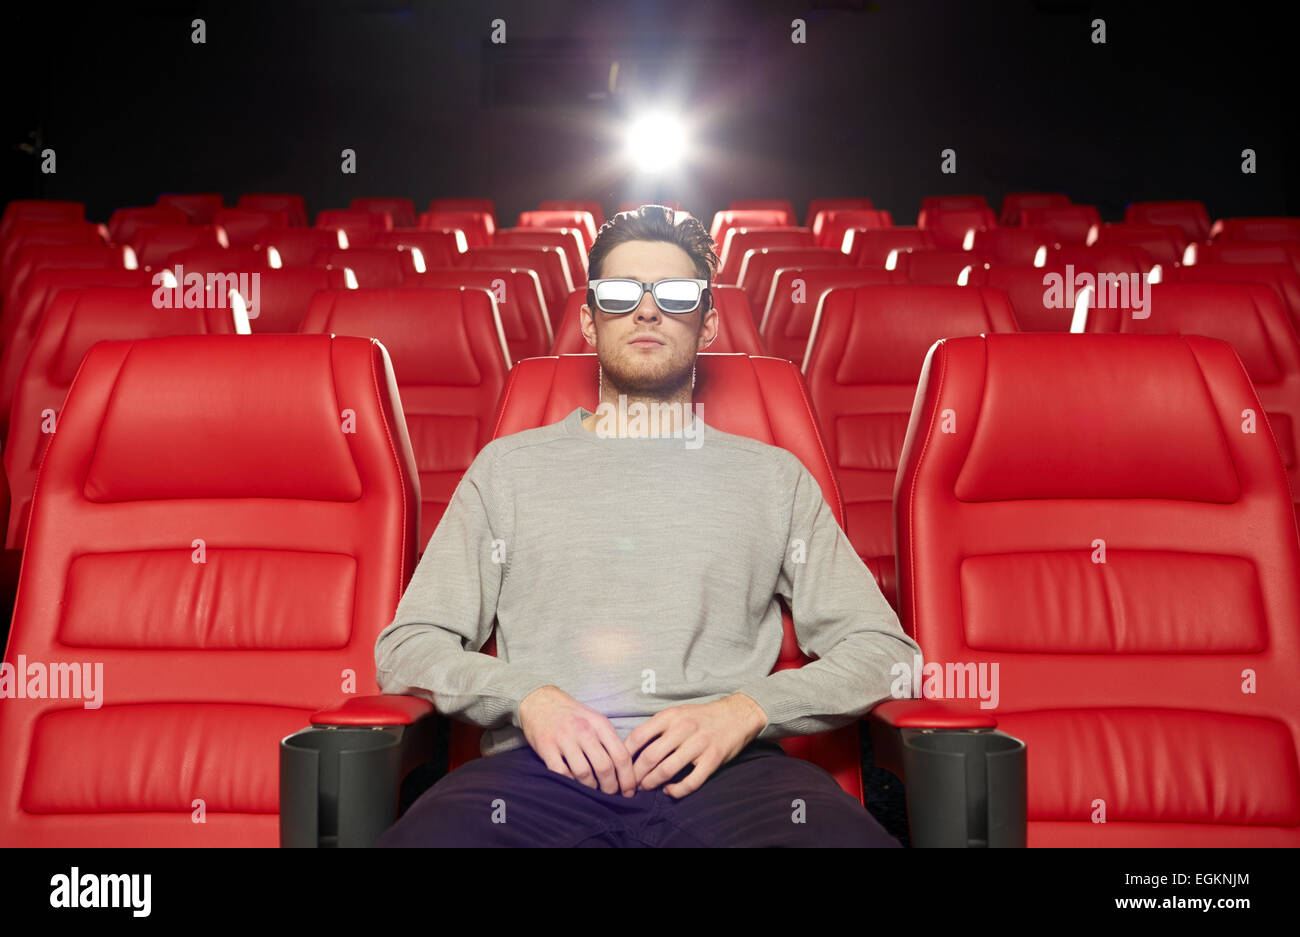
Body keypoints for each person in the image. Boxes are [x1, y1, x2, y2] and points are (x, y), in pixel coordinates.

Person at [372, 204, 922, 847]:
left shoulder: (774, 478)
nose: (647, 309)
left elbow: (888, 655)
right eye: (621, 292)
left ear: (708, 323)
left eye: (677, 293)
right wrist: (528, 699)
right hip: (538, 774)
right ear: (588, 320)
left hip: (731, 773)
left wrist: (745, 712)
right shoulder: (508, 470)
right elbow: (407, 646)